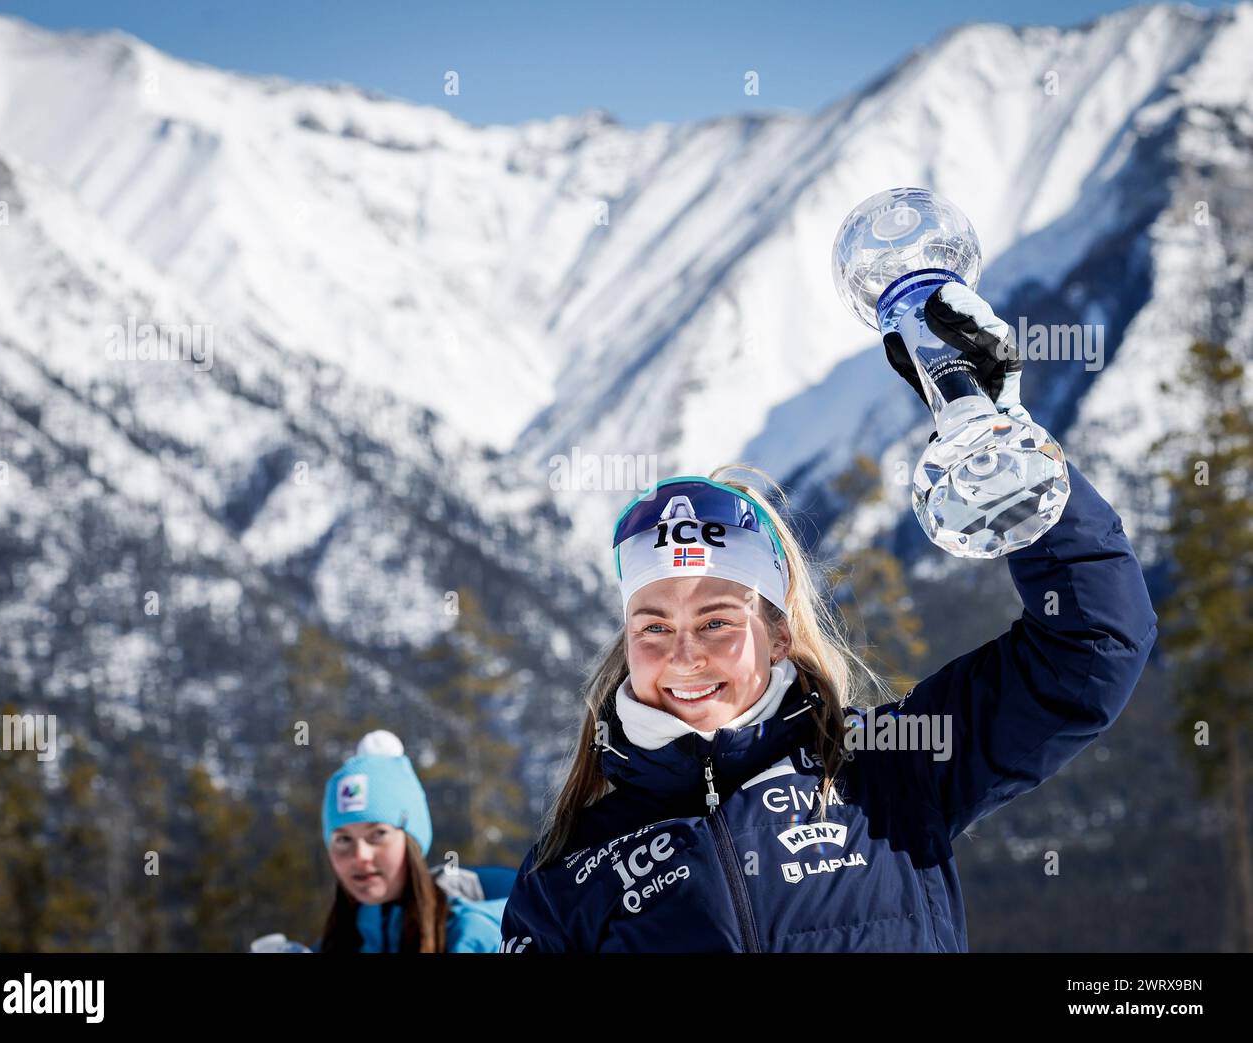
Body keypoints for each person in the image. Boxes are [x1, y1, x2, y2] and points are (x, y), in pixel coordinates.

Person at [499, 285, 1157, 952]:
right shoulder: (566, 871)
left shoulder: (888, 769)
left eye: (718, 622)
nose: (683, 653)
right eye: (654, 626)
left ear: (779, 635)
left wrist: (1016, 454)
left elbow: (1092, 648)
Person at [318, 730, 504, 953]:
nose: (360, 856)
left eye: (378, 834)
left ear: (411, 841)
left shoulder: (474, 938)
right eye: (343, 839)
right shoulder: (347, 937)